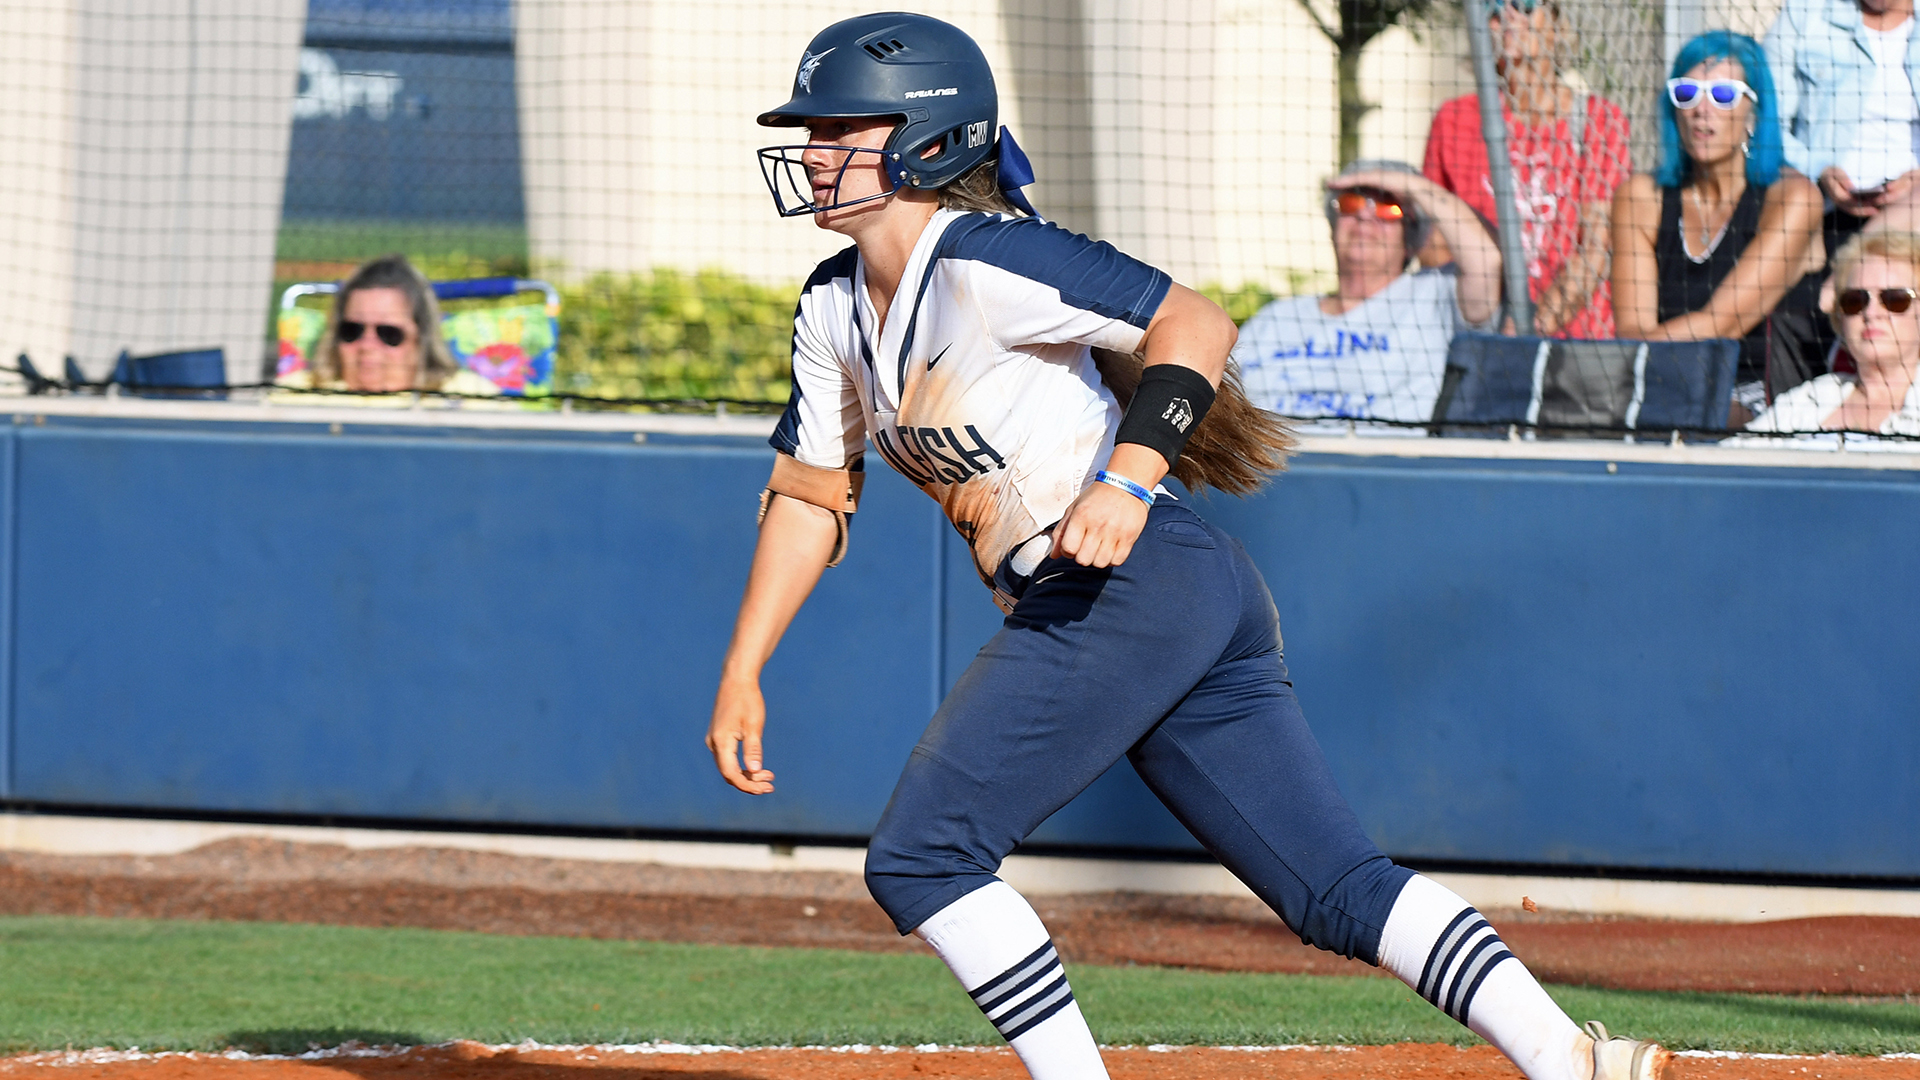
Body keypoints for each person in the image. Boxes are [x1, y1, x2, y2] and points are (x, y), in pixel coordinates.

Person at [708, 12, 1666, 1080]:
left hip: (1131, 585)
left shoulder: (986, 260)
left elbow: (1196, 325)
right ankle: (1572, 1061)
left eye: (841, 127)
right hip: (1154, 600)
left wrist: (1129, 475)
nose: (810, 150)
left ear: (928, 137)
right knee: (1332, 890)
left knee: (926, 856)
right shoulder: (833, 306)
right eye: (812, 129)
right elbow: (807, 492)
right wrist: (746, 668)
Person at [1611, 31, 1827, 424]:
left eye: (1723, 94)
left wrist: (1626, 355)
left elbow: (1722, 324)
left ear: (1754, 114)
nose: (1702, 109)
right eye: (1687, 93)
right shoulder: (1640, 197)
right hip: (1664, 385)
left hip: (1768, 400)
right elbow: (1632, 330)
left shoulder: (1793, 198)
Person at [1232, 160, 1502, 431]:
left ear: (1411, 240)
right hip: (1268, 465)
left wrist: (1412, 186)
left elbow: (1487, 259)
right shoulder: (1275, 319)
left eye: (1387, 208)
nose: (1365, 217)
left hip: (1381, 465)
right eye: (1351, 204)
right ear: (1333, 226)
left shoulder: (1433, 295)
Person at [1423, 0, 1630, 338]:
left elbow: (1595, 249)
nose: (1508, 16)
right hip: (1481, 335)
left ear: (1556, 19)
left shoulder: (1599, 121)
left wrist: (1530, 331)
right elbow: (1435, 249)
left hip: (1575, 341)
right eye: (1492, 8)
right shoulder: (1454, 121)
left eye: (1524, 4)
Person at [1765, 0, 1920, 265]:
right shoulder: (1804, 13)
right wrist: (1818, 170)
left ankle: (1841, 276)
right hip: (1825, 213)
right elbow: (1766, 125)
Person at [1745, 231, 1920, 440]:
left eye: (1894, 299)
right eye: (1854, 300)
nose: (1870, 313)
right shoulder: (1808, 401)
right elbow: (1727, 460)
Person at [279, 254, 498, 397]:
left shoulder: (469, 396)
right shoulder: (295, 393)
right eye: (351, 331)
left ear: (421, 339)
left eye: (388, 334)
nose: (367, 345)